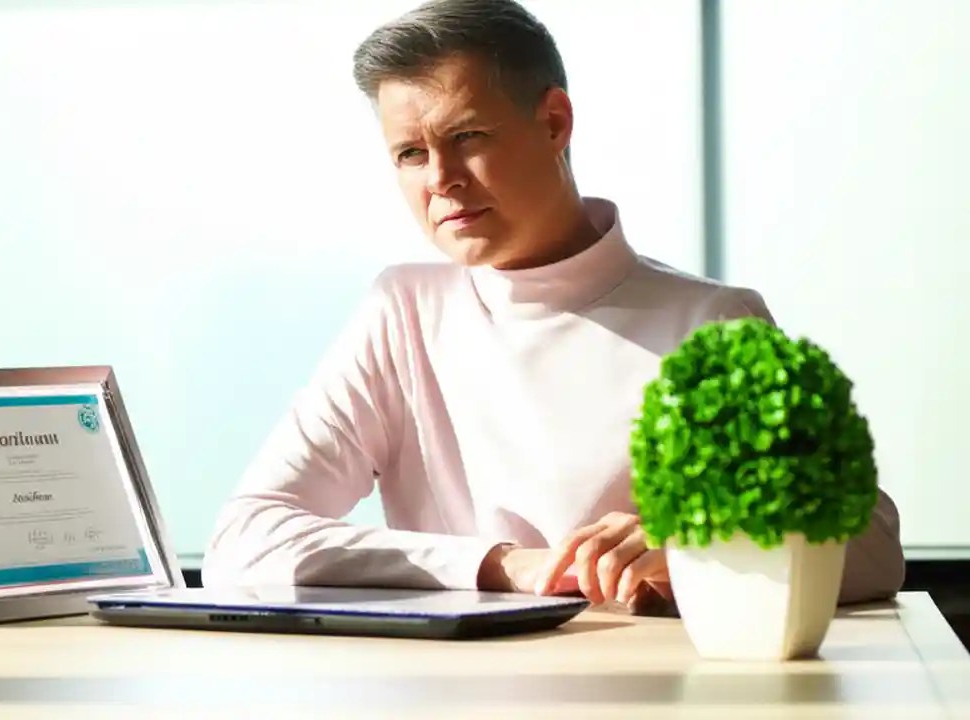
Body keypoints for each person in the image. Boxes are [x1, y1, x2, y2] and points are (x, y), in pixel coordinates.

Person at [201, 0, 904, 612]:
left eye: (466, 137)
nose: (440, 181)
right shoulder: (403, 311)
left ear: (555, 122)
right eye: (410, 154)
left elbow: (872, 543)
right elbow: (245, 539)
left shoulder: (708, 321)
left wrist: (694, 545)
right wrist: (503, 565)